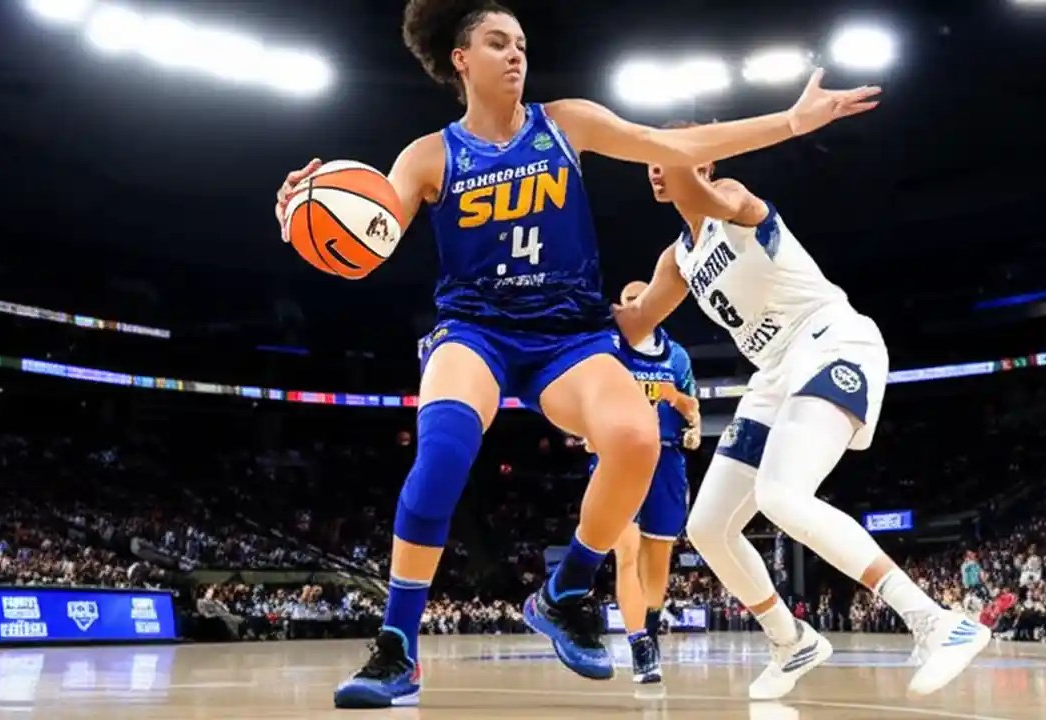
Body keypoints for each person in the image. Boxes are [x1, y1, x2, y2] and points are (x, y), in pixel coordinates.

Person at [273, 0, 880, 709]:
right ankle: (397, 647)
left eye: (520, 43)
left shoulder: (565, 123)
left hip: (569, 335)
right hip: (475, 330)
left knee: (637, 438)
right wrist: (306, 212)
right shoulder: (429, 156)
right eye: (497, 42)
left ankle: (564, 594)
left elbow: (673, 146)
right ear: (460, 59)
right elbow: (368, 243)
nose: (515, 53)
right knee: (442, 454)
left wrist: (791, 121)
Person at [612, 131, 990, 701]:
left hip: (830, 340)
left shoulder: (732, 198)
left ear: (702, 162)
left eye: (668, 156)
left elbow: (709, 195)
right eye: (649, 162)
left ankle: (937, 622)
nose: (655, 169)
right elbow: (635, 322)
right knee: (708, 525)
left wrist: (683, 149)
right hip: (772, 373)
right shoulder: (678, 258)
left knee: (781, 495)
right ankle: (791, 642)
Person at [593, 280, 699, 684]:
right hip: (618, 456)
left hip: (666, 458)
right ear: (620, 307)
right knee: (627, 550)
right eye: (630, 301)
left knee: (658, 560)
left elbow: (691, 404)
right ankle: (638, 644)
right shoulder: (608, 349)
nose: (638, 306)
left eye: (644, 299)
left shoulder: (678, 355)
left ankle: (649, 633)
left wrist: (692, 423)